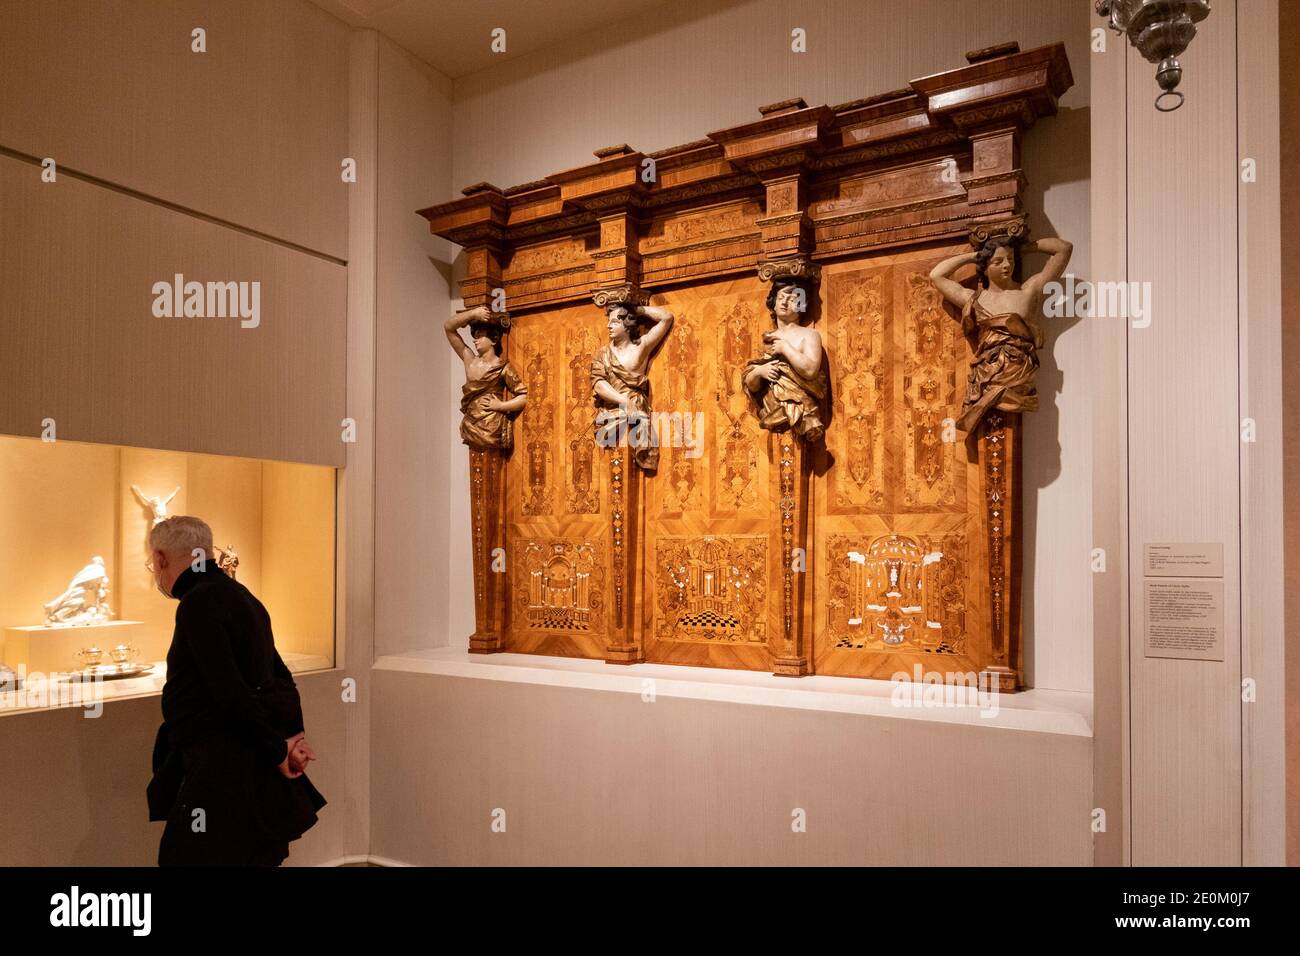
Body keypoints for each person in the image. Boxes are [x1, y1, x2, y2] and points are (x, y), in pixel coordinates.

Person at [145, 515, 325, 866]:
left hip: (223, 764)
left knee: (186, 858)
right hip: (250, 758)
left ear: (161, 559)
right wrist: (292, 739)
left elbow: (228, 691)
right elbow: (279, 676)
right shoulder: (241, 595)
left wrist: (279, 750)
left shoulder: (197, 603)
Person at [928, 234, 1073, 433]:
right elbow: (937, 276)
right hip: (988, 374)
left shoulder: (1028, 291)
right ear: (985, 267)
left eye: (1010, 260)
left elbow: (1064, 248)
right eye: (998, 261)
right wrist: (975, 256)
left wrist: (1024, 248)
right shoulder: (975, 299)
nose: (1007, 265)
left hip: (1018, 373)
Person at [742, 278, 828, 444]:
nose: (785, 302)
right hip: (772, 409)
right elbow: (751, 385)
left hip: (801, 406)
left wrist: (785, 348)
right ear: (773, 303)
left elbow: (810, 370)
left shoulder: (809, 335)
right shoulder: (765, 339)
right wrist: (760, 372)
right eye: (781, 298)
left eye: (792, 299)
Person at [590, 302, 674, 471]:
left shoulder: (640, 347)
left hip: (635, 407)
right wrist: (623, 400)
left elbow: (666, 318)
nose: (608, 325)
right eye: (609, 321)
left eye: (614, 321)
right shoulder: (602, 353)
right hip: (611, 411)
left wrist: (637, 309)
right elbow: (598, 384)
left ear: (627, 324)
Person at [445, 304, 528, 451]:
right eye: (474, 337)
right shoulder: (469, 360)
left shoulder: (502, 367)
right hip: (471, 425)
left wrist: (501, 406)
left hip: (491, 427)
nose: (475, 340)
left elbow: (523, 396)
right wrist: (472, 314)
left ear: (494, 339)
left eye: (479, 336)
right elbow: (449, 327)